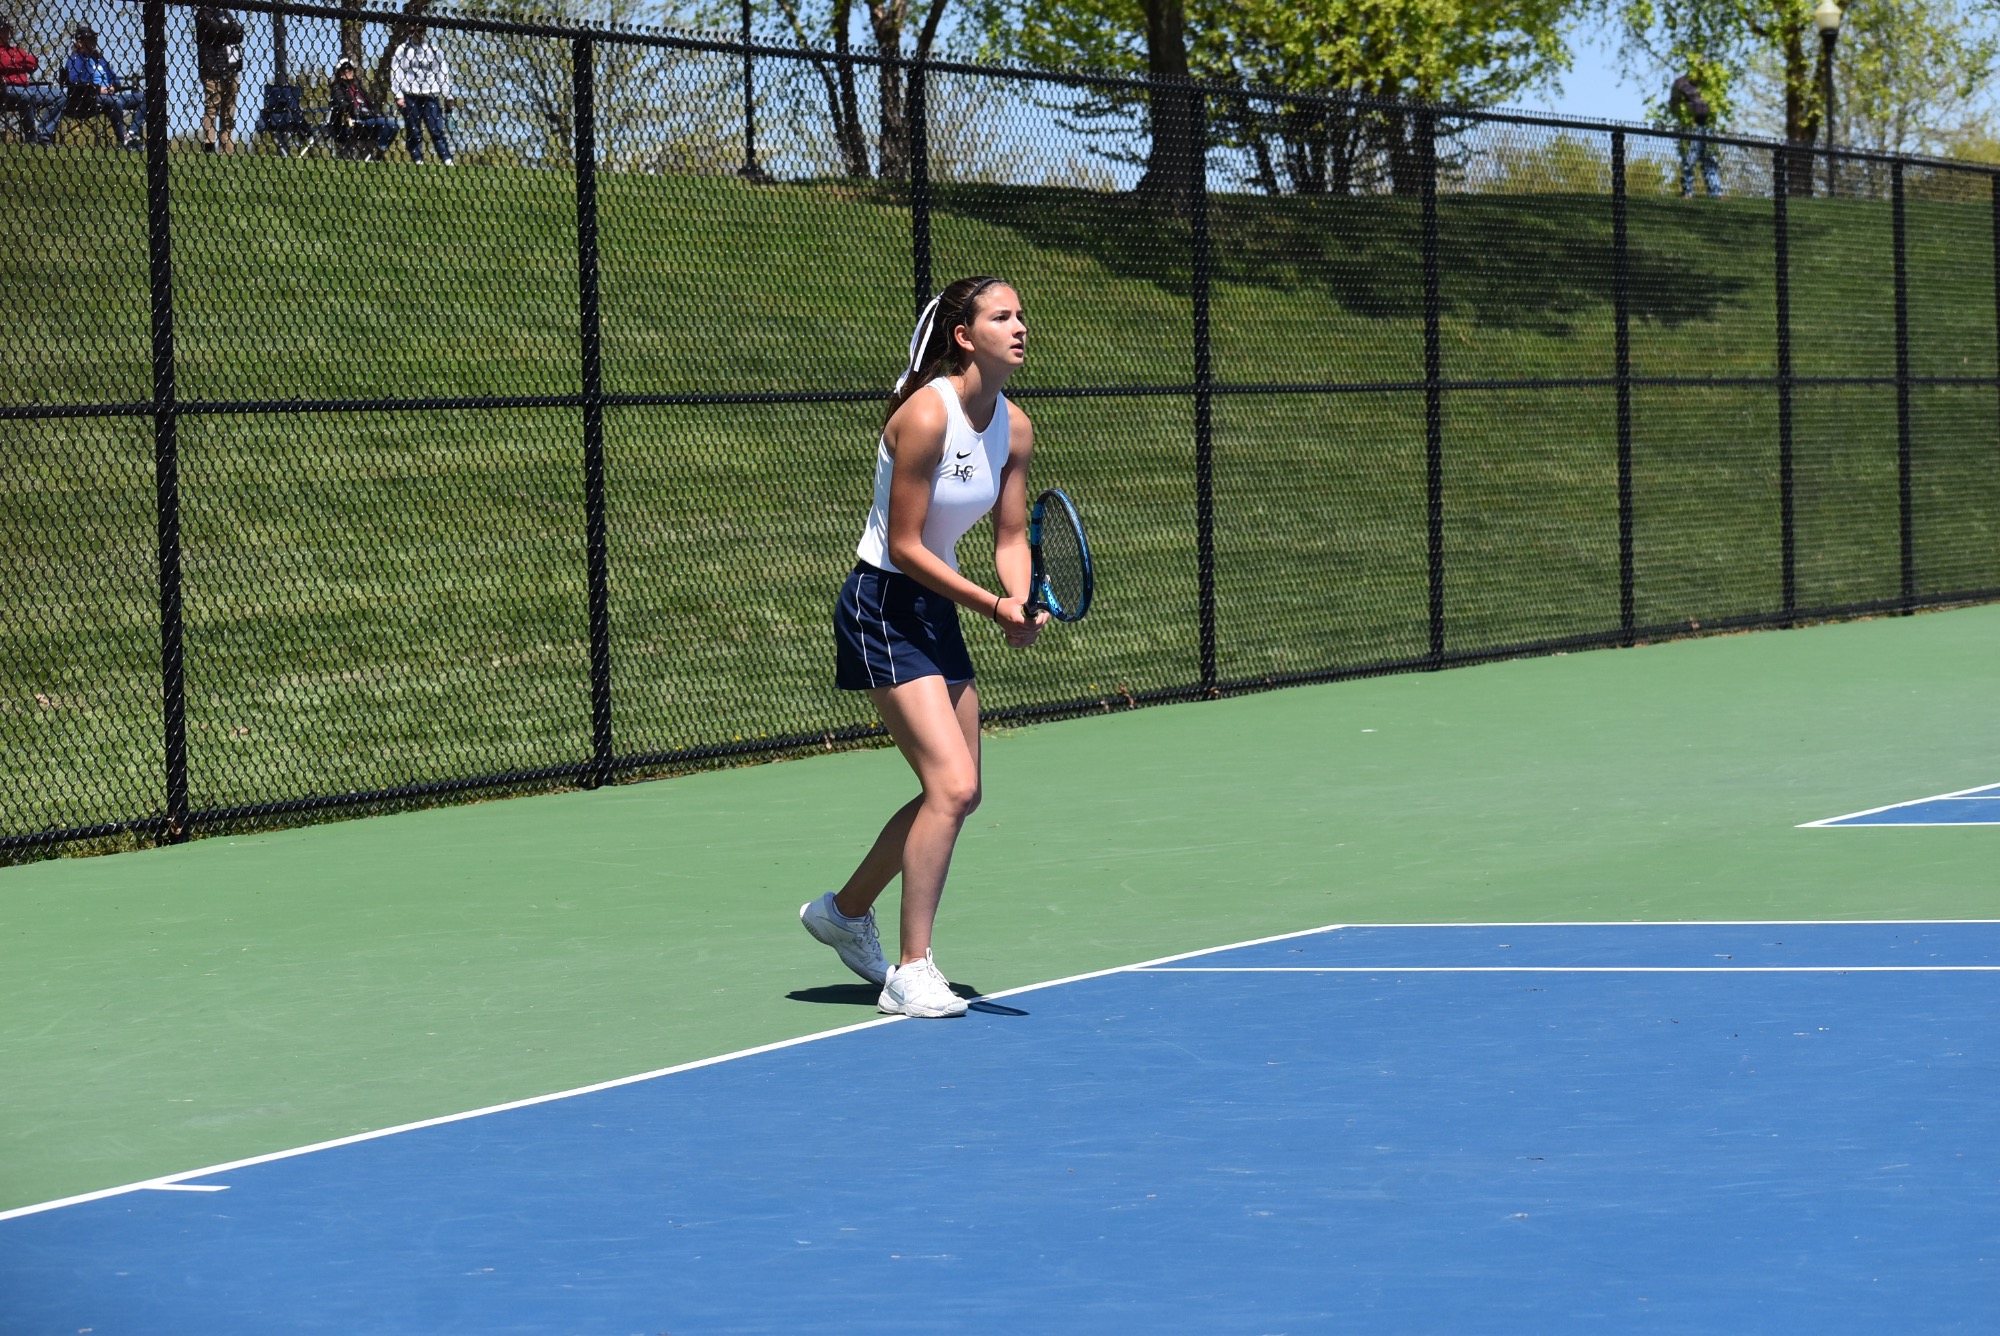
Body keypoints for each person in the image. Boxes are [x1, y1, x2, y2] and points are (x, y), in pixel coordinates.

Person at [798, 276, 1045, 1019]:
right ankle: (912, 970)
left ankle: (843, 912)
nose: (1019, 326)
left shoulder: (1016, 427)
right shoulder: (925, 416)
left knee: (958, 791)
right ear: (965, 336)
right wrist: (991, 603)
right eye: (1002, 316)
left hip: (938, 608)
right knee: (954, 787)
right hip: (882, 605)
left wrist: (1019, 597)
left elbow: (1009, 536)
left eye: (1022, 315)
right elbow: (904, 546)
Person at [59, 26, 142, 148]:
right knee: (115, 102)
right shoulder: (76, 59)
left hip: (110, 95)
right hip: (88, 99)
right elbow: (74, 80)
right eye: (90, 39)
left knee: (144, 97)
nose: (94, 42)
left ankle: (131, 133)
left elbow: (115, 78)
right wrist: (97, 89)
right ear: (80, 42)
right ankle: (123, 141)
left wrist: (113, 87)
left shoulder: (98, 58)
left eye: (94, 39)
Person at [389, 25, 453, 165]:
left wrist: (448, 95)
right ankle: (417, 159)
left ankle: (446, 158)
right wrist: (398, 95)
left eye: (420, 30)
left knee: (436, 128)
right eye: (413, 31)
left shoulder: (433, 50)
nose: (417, 34)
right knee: (414, 129)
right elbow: (396, 72)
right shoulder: (403, 50)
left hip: (430, 94)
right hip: (410, 94)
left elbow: (442, 73)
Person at [1, 18, 61, 144]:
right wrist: (20, 62)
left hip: (27, 87)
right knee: (26, 96)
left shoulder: (16, 50)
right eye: (3, 30)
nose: (7, 33)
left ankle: (44, 135)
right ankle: (31, 138)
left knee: (61, 95)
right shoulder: (16, 53)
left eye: (7, 30)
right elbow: (4, 64)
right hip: (5, 89)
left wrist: (13, 63)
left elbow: (33, 64)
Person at [193, 5, 243, 154]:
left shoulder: (226, 13)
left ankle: (227, 149)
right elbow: (214, 31)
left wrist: (225, 31)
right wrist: (228, 31)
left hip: (230, 67)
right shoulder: (203, 14)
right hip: (211, 68)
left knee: (229, 111)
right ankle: (209, 146)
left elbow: (239, 33)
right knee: (212, 106)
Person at [328, 57, 396, 159]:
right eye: (344, 70)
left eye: (350, 69)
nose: (348, 72)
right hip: (355, 121)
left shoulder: (358, 86)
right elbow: (342, 104)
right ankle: (380, 152)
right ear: (339, 73)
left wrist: (377, 113)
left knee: (393, 126)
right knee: (390, 124)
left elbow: (372, 103)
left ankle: (380, 150)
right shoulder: (337, 87)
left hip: (368, 118)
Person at [1670, 71, 1722, 199]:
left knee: (1710, 159)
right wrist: (1685, 117)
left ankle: (1716, 192)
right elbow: (1674, 104)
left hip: (1707, 127)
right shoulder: (1681, 83)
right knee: (1690, 159)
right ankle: (1688, 191)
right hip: (1691, 127)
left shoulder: (1709, 83)